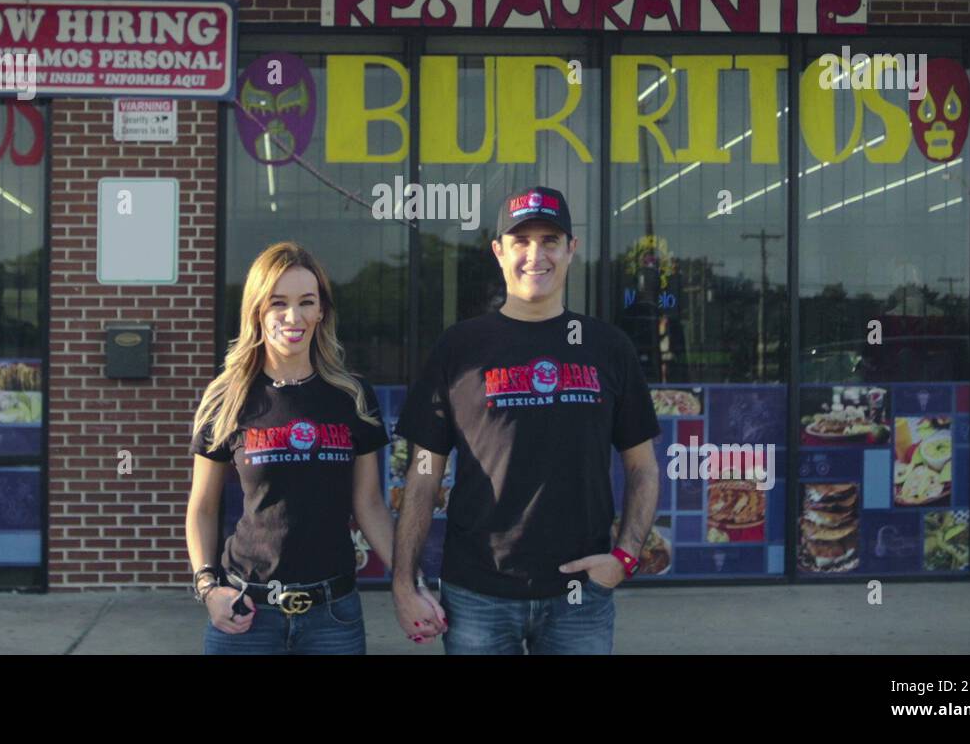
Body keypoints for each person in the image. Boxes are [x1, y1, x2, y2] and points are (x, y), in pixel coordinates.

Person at [392, 186, 662, 654]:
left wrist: (625, 557)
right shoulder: (460, 348)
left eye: (550, 240)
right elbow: (423, 474)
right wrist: (403, 583)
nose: (535, 254)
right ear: (499, 251)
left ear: (571, 250)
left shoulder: (608, 347)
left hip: (580, 593)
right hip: (478, 593)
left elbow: (644, 467)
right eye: (521, 241)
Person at [186, 242, 407, 654]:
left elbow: (370, 504)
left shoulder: (352, 396)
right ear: (257, 310)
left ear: (321, 310)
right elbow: (202, 507)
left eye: (307, 301)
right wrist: (208, 587)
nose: (294, 316)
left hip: (333, 616)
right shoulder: (226, 398)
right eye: (278, 303)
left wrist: (408, 580)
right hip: (245, 609)